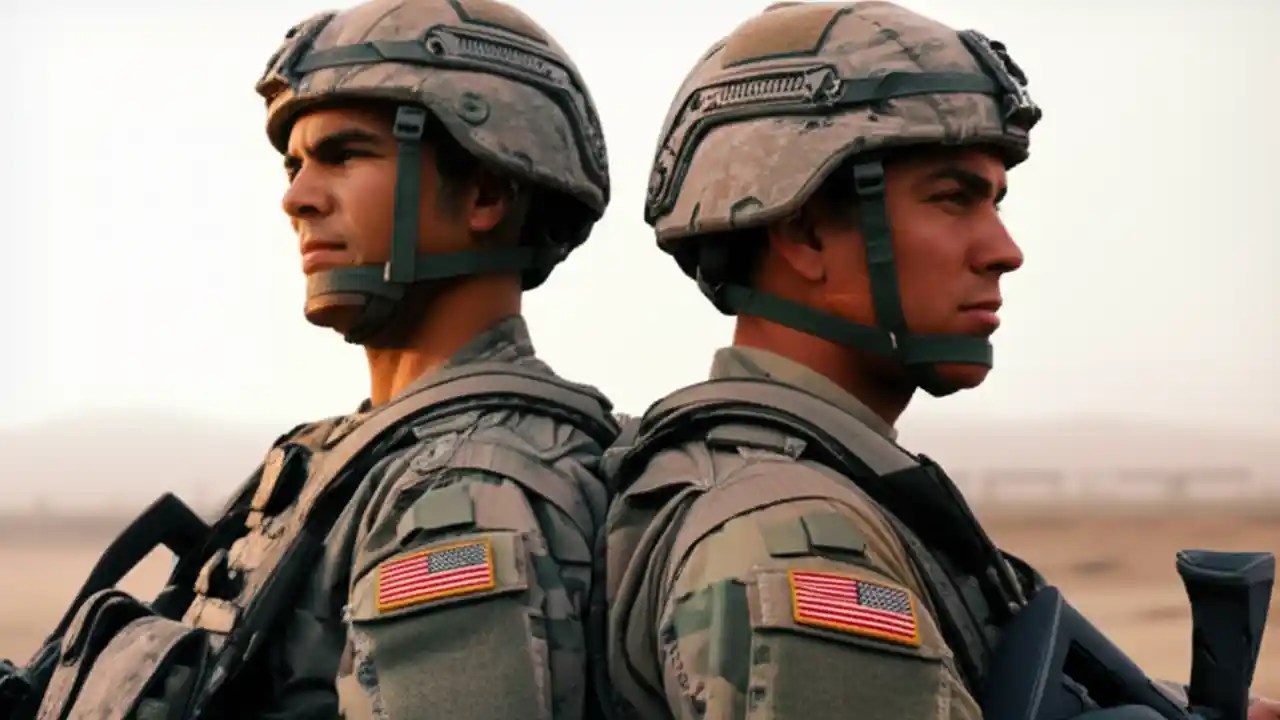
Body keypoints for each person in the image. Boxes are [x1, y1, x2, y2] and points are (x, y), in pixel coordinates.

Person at [598, 2, 1278, 719]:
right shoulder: (789, 541)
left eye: (996, 203)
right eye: (954, 199)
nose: (1003, 251)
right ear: (804, 236)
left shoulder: (830, 488)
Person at [11, 1, 621, 719]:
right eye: (294, 164)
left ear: (486, 192)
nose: (296, 198)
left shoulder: (464, 492)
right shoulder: (351, 461)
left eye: (344, 155)